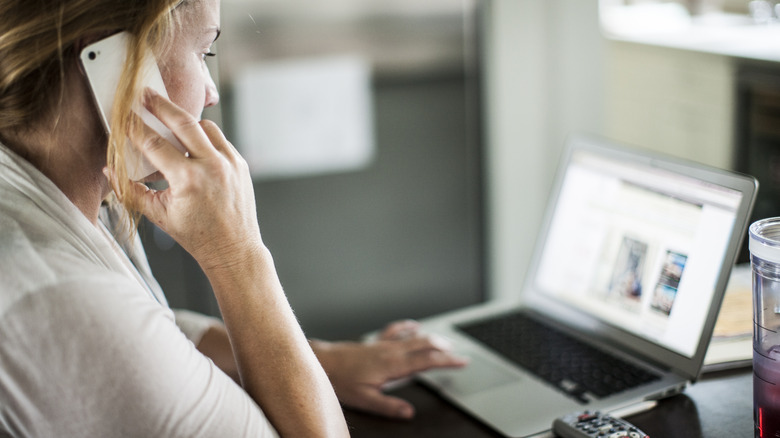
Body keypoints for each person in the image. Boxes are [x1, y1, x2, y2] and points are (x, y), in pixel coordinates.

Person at [0, 0, 466, 436]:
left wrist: (322, 361)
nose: (211, 92)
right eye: (203, 51)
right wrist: (238, 256)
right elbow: (110, 331)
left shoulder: (39, 192)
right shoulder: (61, 299)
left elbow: (153, 328)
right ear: (110, 54)